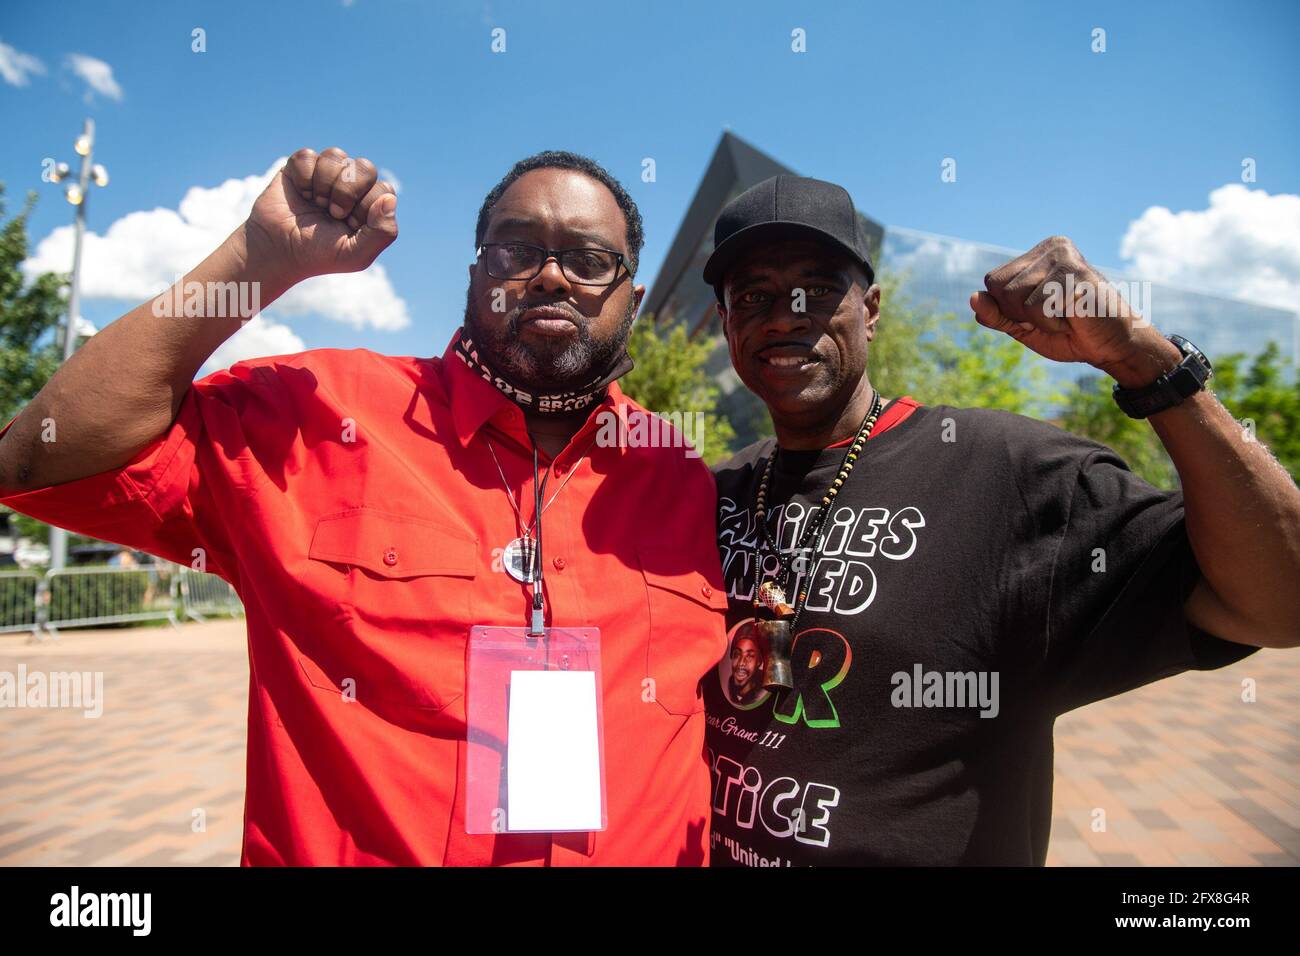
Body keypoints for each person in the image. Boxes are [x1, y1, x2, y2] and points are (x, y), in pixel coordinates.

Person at [0, 146, 728, 865]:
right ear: (476, 276)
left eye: (589, 260)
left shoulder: (681, 475)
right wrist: (255, 260)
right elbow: (43, 460)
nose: (549, 277)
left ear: (632, 301)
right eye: (517, 251)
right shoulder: (314, 414)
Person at [701, 174, 1300, 866]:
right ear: (726, 326)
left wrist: (1141, 358)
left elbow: (1282, 603)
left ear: (871, 310)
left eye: (818, 287)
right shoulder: (712, 492)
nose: (784, 315)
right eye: (753, 297)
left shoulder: (1009, 472)